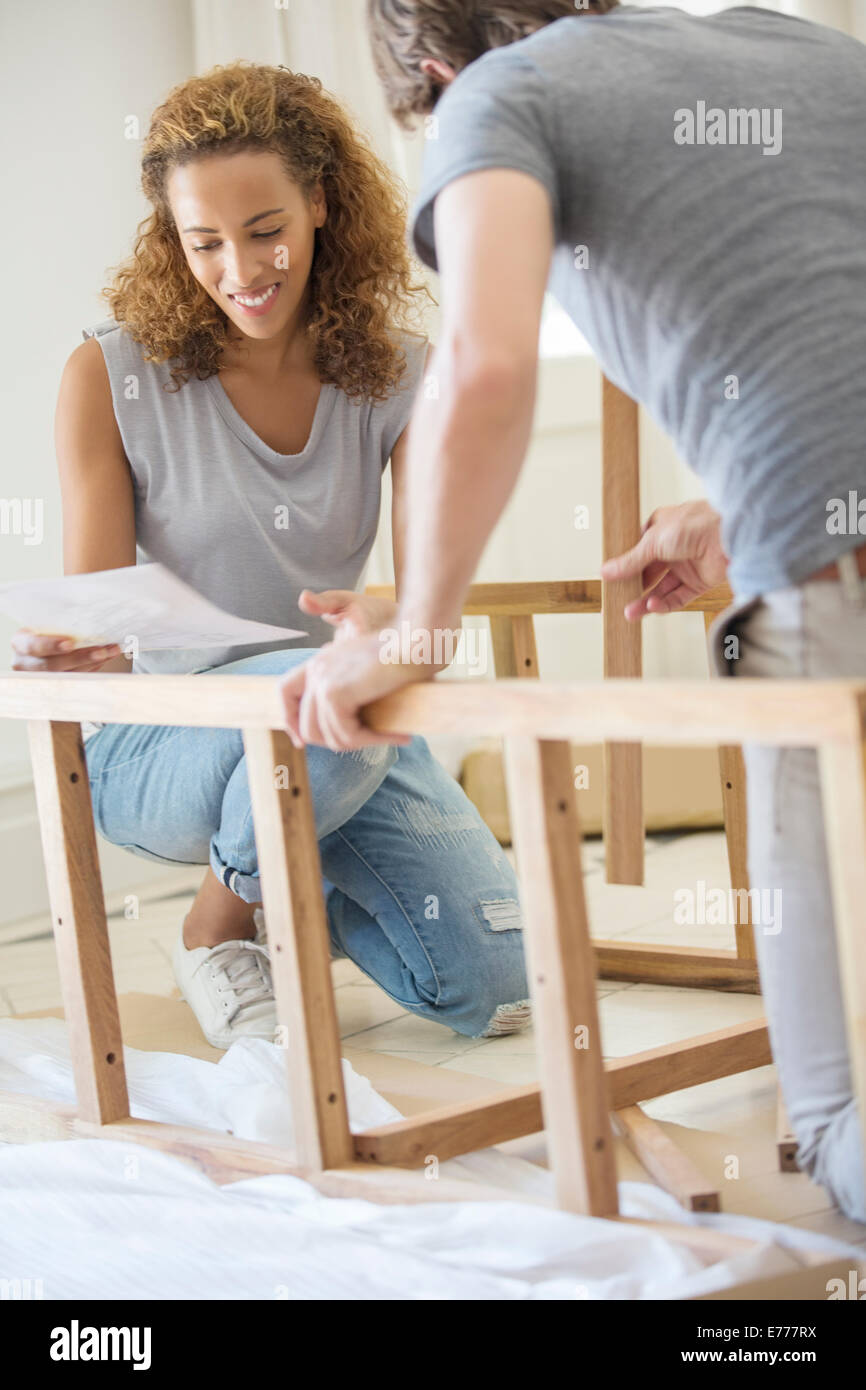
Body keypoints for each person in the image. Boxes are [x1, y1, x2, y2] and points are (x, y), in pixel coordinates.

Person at [280, 2, 866, 1222]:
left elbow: (484, 365)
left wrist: (417, 628)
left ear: (433, 69)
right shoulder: (791, 41)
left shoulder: (499, 97)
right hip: (821, 528)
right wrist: (734, 504)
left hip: (827, 578)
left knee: (833, 1119)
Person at [10, 61, 531, 1051]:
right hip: (158, 743)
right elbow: (97, 626)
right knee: (317, 689)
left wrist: (386, 618)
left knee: (495, 990)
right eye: (204, 242)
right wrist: (61, 648)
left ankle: (291, 883)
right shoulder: (107, 377)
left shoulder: (398, 375)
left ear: (322, 202)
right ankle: (218, 929)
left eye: (265, 232)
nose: (240, 273)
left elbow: (416, 606)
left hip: (336, 719)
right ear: (173, 239)